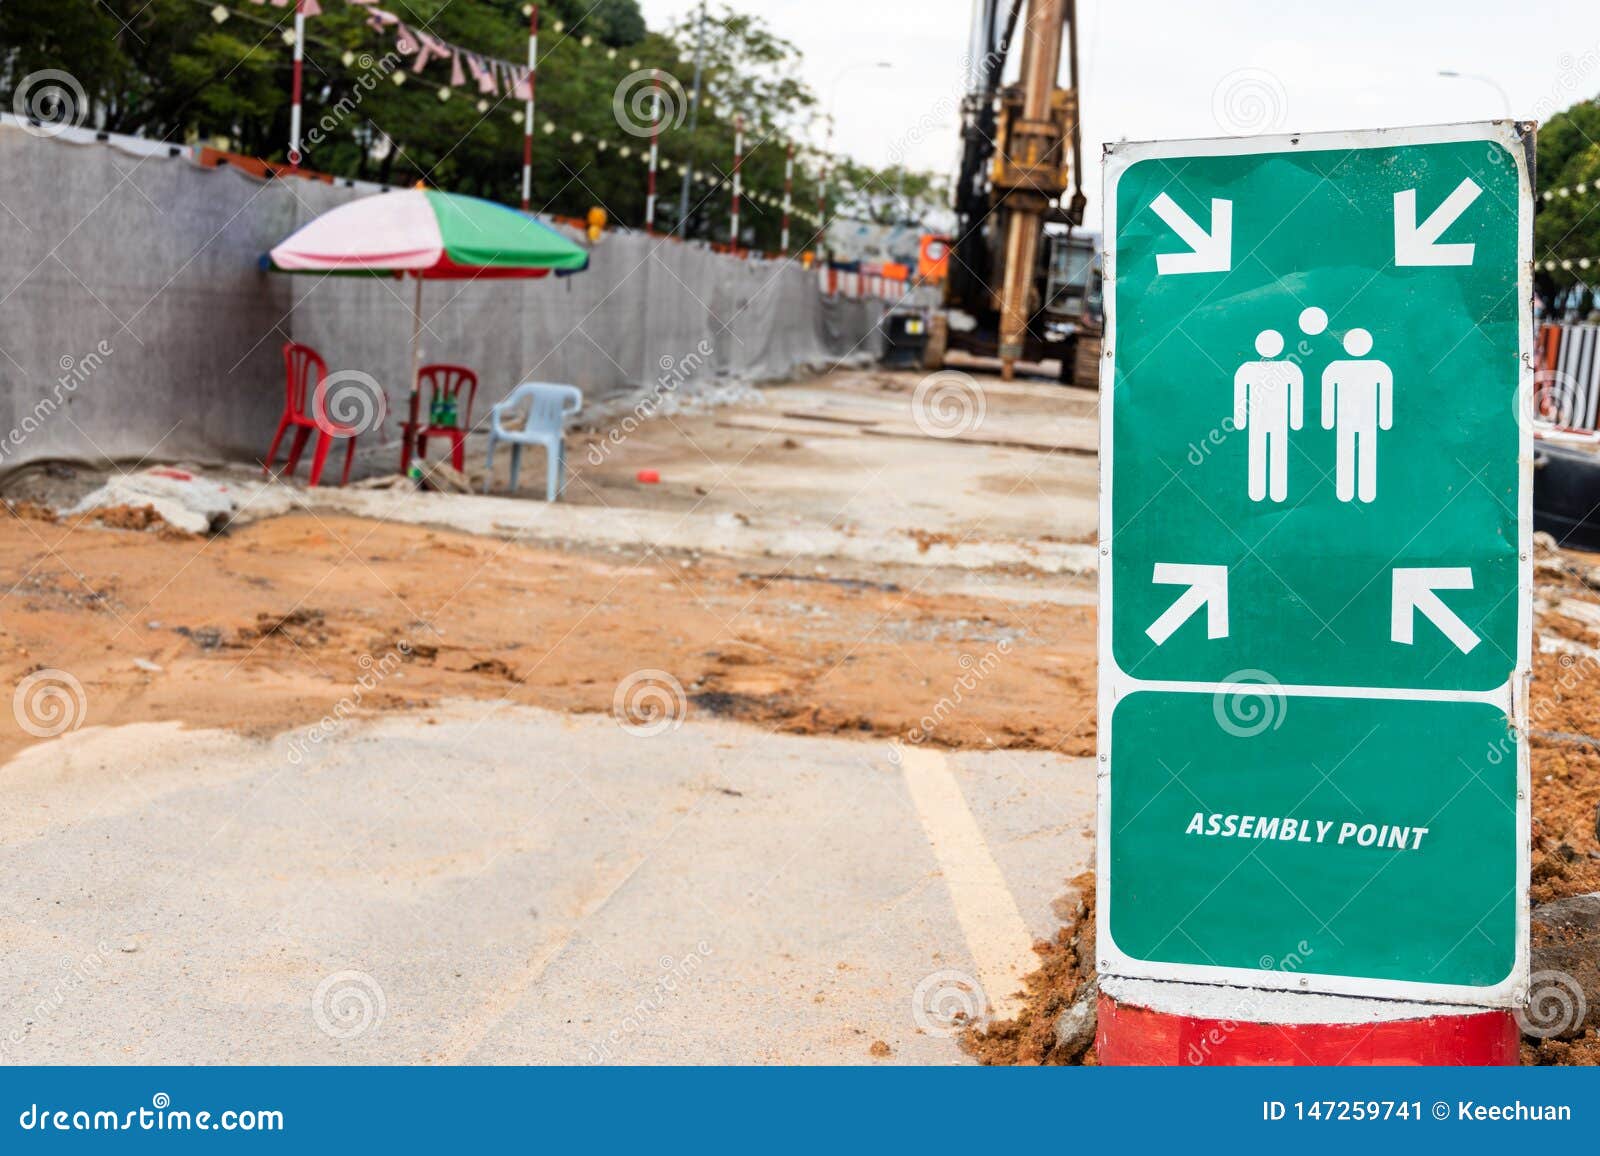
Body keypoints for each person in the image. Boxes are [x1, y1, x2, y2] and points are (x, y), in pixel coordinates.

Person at [1320, 327, 1393, 503]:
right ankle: (1347, 490)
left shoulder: (1378, 369)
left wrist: (1385, 419)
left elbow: (1384, 396)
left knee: (1362, 452)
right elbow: (1328, 396)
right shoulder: (1336, 369)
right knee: (1349, 452)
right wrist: (1328, 419)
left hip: (1364, 420)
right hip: (1349, 420)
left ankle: (1363, 491)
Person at [1233, 329, 1303, 502]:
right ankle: (1262, 491)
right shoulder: (1287, 369)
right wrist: (1296, 421)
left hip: (1273, 420)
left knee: (1270, 451)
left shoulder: (1288, 369)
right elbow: (1241, 394)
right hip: (1263, 419)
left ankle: (1272, 491)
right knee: (1265, 451)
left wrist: (1240, 420)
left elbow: (1296, 394)